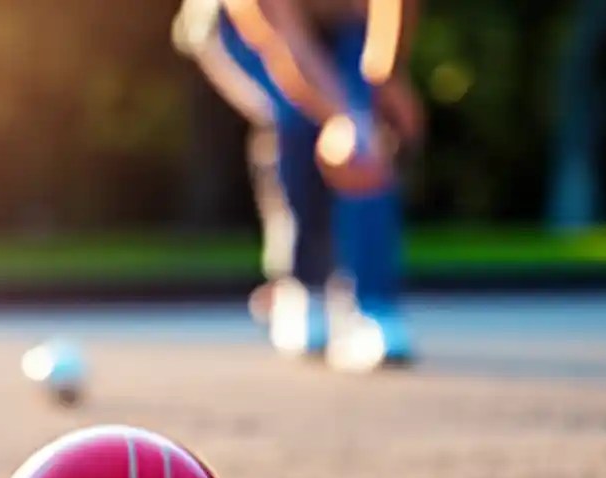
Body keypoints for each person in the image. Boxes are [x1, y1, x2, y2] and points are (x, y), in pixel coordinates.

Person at [173, 0, 424, 371]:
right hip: (239, 28)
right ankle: (300, 287)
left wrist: (387, 84)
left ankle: (374, 305)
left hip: (341, 27)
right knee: (294, 121)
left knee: (367, 142)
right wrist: (345, 119)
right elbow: (287, 49)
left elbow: (393, 13)